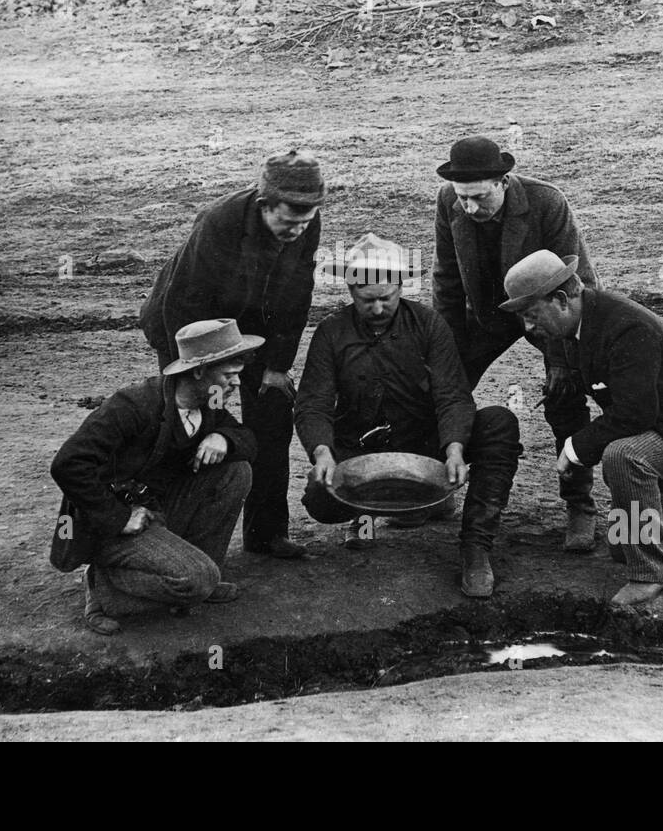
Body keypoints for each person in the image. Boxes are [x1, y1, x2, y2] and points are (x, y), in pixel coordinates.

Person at [499, 251, 663, 607]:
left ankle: (651, 574)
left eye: (531, 315)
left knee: (621, 455)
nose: (528, 328)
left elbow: (635, 413)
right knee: (624, 545)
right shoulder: (579, 324)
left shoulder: (623, 324)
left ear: (561, 299)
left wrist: (576, 448)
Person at [294, 234, 521, 597]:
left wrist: (455, 448)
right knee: (320, 499)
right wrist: (321, 452)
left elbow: (452, 395)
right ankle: (366, 514)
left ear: (400, 287)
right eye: (368, 300)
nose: (379, 308)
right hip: (362, 452)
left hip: (424, 444)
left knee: (499, 423)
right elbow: (313, 403)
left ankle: (476, 547)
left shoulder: (429, 325)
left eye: (387, 297)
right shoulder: (331, 333)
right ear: (351, 291)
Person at [139, 149, 327, 560]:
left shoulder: (305, 220)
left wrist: (277, 367)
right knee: (194, 422)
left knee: (272, 418)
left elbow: (297, 296)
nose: (297, 231)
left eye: (305, 222)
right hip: (190, 330)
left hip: (252, 329)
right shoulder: (219, 222)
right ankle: (182, 544)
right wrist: (196, 373)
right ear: (264, 206)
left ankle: (267, 535)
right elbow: (184, 301)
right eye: (287, 222)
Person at [433, 135, 603, 552]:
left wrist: (562, 361)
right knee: (439, 389)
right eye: (463, 198)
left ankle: (579, 504)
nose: (469, 208)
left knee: (564, 396)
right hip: (484, 316)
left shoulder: (547, 202)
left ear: (504, 181)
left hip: (546, 312)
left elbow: (574, 288)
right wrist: (443, 353)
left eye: (479, 198)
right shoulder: (448, 201)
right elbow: (446, 282)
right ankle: (436, 488)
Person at [49, 318, 263, 634]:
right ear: (200, 371)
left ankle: (202, 574)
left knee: (235, 472)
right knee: (197, 581)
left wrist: (225, 438)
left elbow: (247, 439)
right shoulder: (134, 404)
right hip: (110, 525)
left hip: (154, 511)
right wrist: (119, 517)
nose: (236, 384)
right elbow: (67, 463)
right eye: (229, 375)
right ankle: (104, 588)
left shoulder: (208, 402)